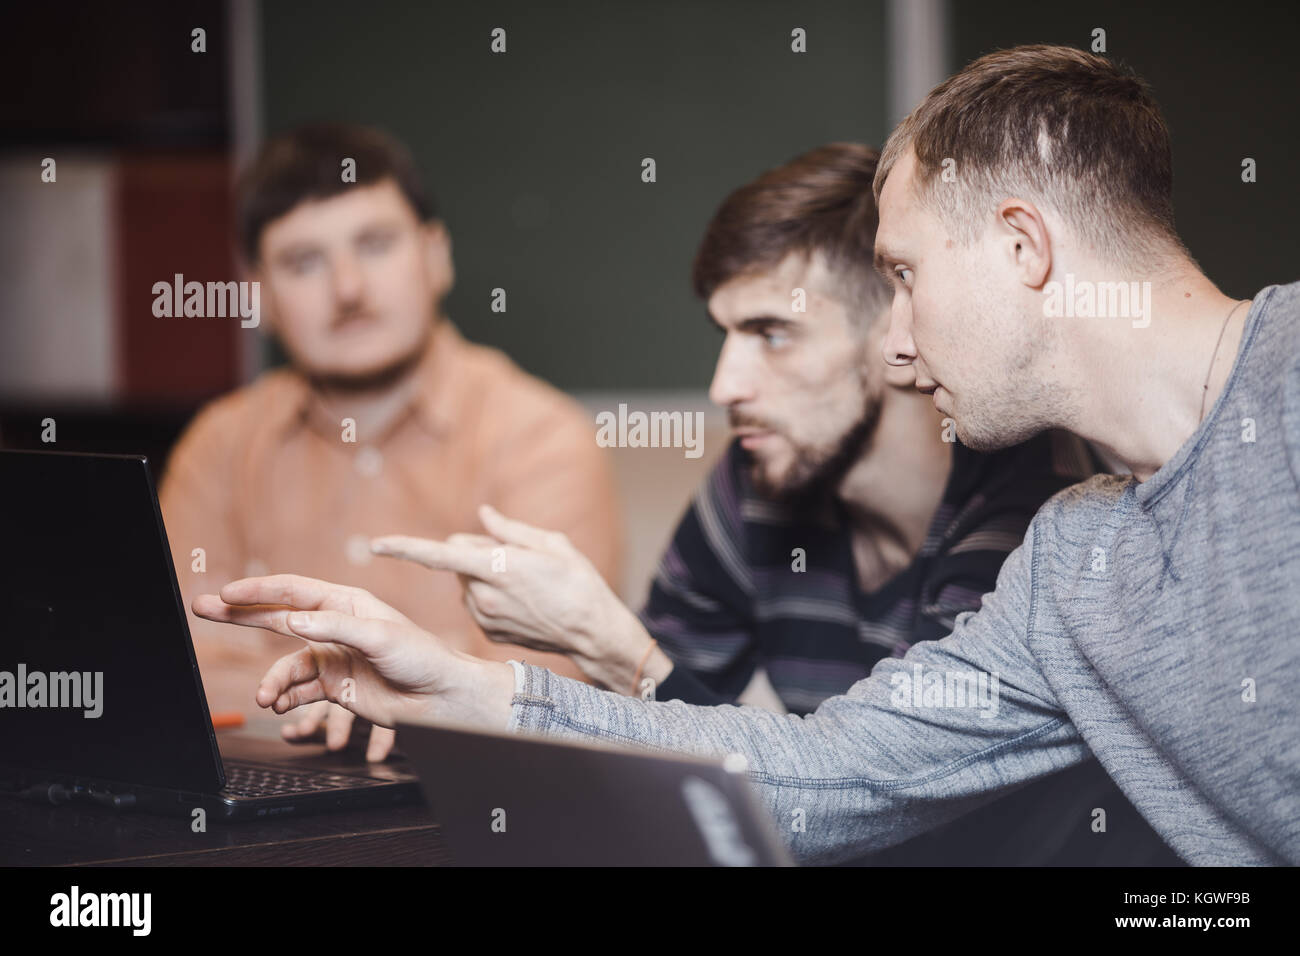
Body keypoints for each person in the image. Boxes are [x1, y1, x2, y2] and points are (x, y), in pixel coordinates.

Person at [194, 47, 1299, 865]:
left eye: (905, 274)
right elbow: (827, 775)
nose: (901, 346)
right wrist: (470, 689)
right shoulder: (1071, 564)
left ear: (1023, 248)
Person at [368, 142, 1166, 864]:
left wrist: (615, 645)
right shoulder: (759, 484)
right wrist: (427, 705)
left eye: (771, 333)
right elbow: (668, 751)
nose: (725, 387)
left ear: (898, 327)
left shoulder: (1039, 508)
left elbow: (894, 812)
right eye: (724, 335)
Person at [161, 124, 620, 760]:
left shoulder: (540, 438)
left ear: (437, 256)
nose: (348, 289)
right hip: (259, 797)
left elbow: (543, 699)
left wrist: (344, 691)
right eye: (304, 262)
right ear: (259, 293)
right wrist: (357, 691)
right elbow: (177, 676)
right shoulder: (217, 445)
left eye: (374, 245)